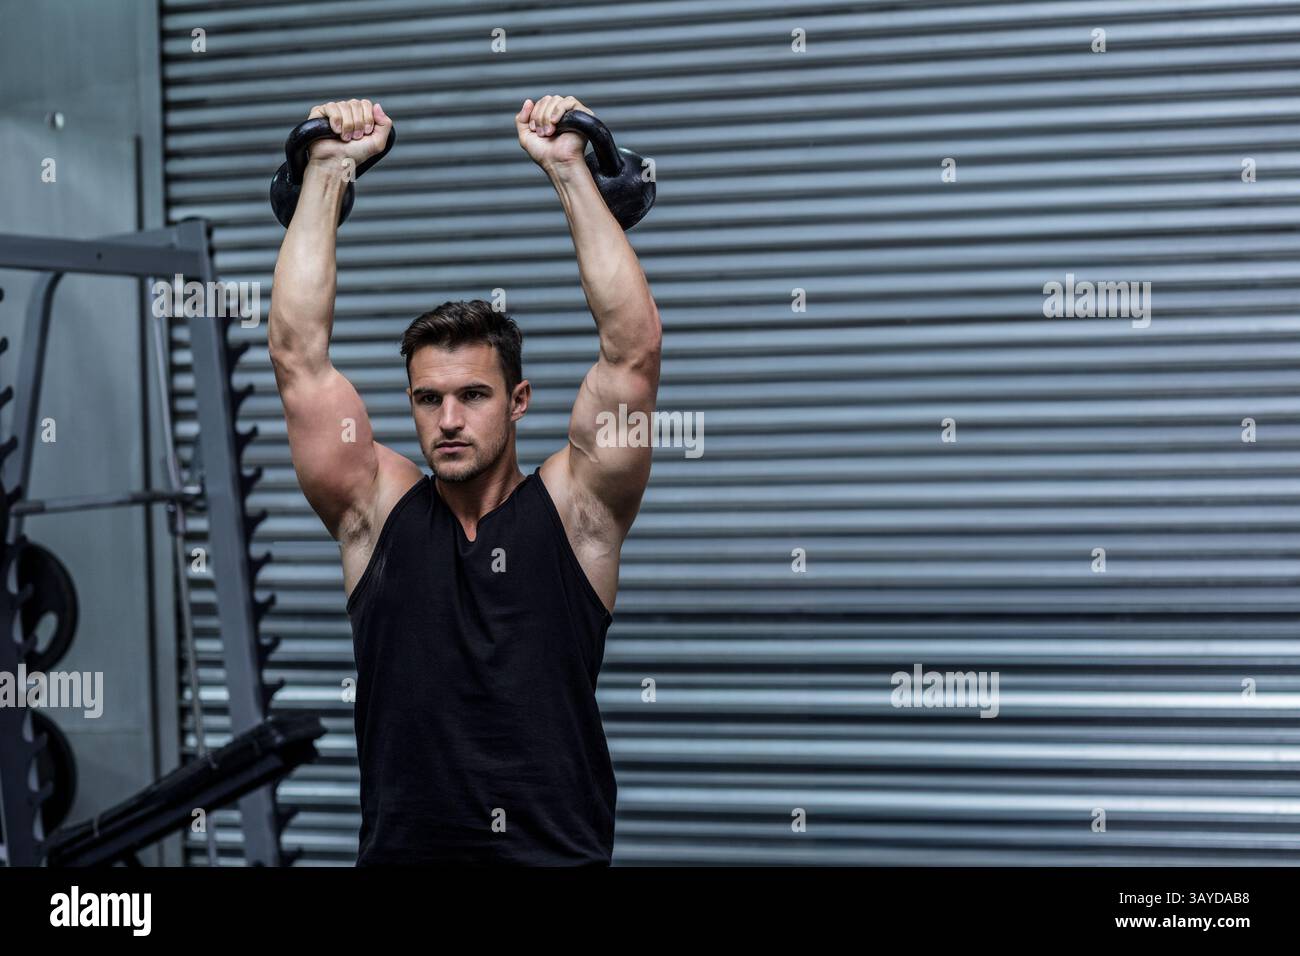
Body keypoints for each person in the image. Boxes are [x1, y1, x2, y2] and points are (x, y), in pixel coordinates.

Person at [267, 95, 661, 864]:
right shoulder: (374, 513)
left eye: (473, 396)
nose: (447, 419)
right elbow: (297, 359)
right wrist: (326, 173)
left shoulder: (579, 516)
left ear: (517, 402)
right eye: (427, 399)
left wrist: (570, 170)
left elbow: (633, 353)